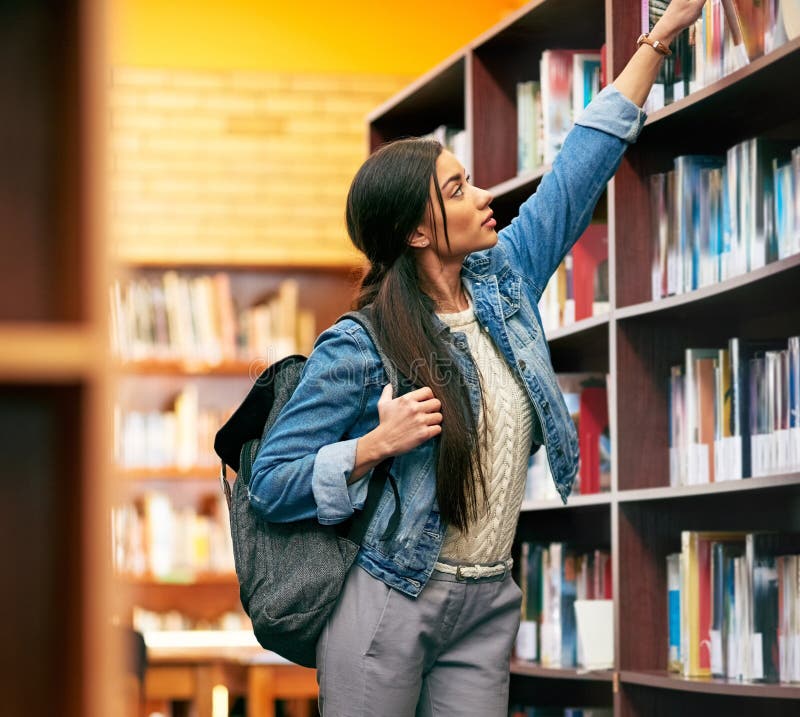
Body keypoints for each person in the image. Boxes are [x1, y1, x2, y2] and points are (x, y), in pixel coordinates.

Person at [248, 1, 705, 714]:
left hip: (488, 598)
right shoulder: (362, 341)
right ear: (417, 233)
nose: (485, 195)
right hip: (391, 595)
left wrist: (660, 36)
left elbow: (577, 172)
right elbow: (271, 480)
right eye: (458, 189)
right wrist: (372, 445)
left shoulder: (508, 281)